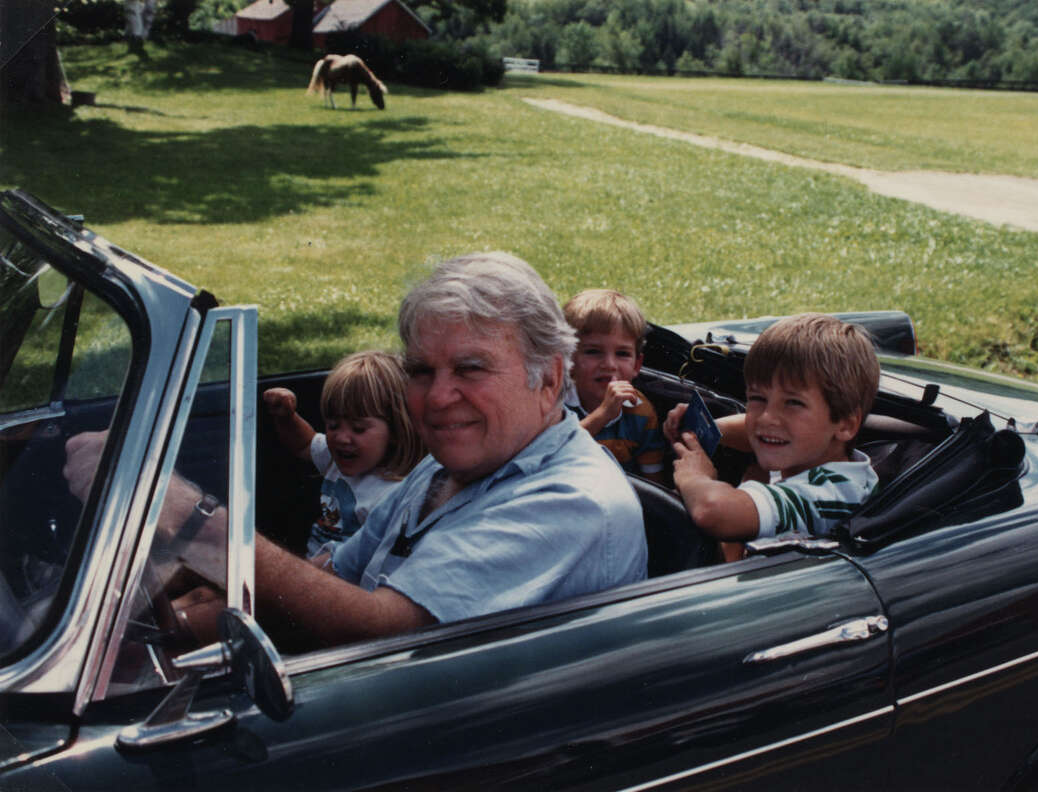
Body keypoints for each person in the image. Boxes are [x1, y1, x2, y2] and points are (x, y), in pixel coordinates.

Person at [64, 252, 647, 649]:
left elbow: (381, 633)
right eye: (420, 370)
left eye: (471, 368)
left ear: (547, 379)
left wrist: (194, 520)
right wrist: (178, 623)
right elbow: (338, 573)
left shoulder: (572, 501)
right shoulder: (452, 465)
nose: (439, 397)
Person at [667, 314, 879, 560]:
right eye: (758, 399)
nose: (767, 418)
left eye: (793, 403)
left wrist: (695, 476)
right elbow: (751, 430)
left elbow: (712, 510)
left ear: (845, 424)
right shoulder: (812, 454)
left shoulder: (832, 493)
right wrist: (707, 429)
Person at [262, 350, 422, 558]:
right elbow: (304, 444)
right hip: (313, 566)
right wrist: (287, 418)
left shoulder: (392, 494)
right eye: (333, 425)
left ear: (396, 430)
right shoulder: (336, 457)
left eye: (358, 429)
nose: (341, 438)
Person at [562, 289, 666, 483]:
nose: (609, 364)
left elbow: (654, 483)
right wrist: (602, 415)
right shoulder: (553, 405)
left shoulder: (641, 411)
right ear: (568, 359)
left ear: (637, 365)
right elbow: (550, 451)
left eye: (622, 354)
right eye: (593, 351)